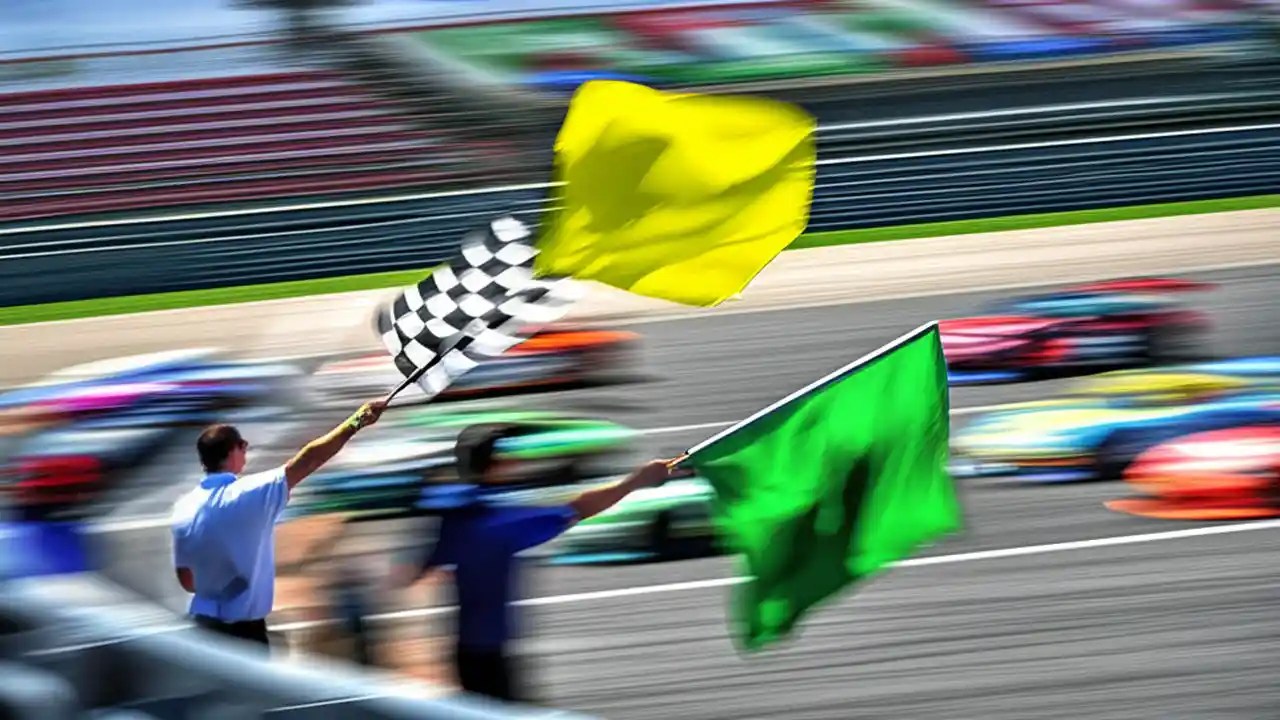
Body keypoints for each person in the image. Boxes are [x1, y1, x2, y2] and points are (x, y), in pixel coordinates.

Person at [389, 423, 678, 704]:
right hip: (491, 656)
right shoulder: (500, 522)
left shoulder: (453, 516)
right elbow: (577, 509)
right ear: (494, 466)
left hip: (464, 650)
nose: (516, 464)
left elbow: (417, 568)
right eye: (508, 459)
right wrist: (635, 481)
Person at [170, 399, 387, 650]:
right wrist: (356, 421)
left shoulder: (183, 507)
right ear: (232, 453)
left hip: (203, 628)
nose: (246, 449)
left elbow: (186, 579)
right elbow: (308, 460)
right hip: (243, 631)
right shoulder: (248, 494)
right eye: (242, 445)